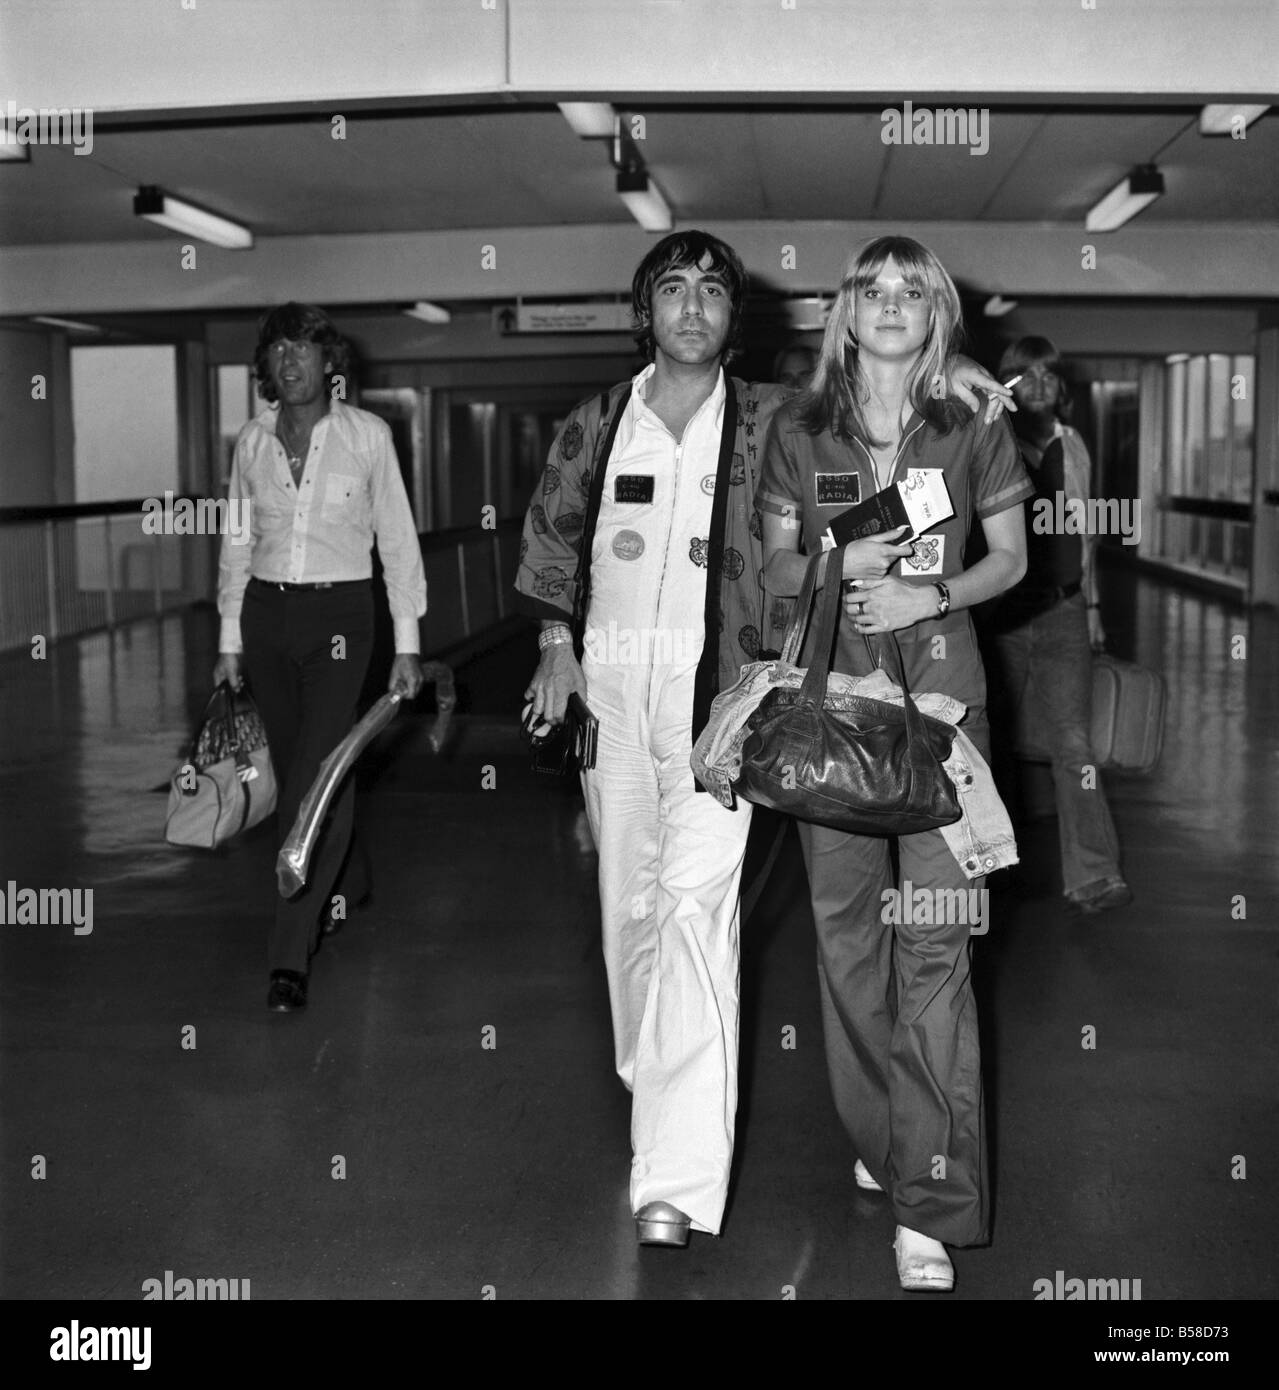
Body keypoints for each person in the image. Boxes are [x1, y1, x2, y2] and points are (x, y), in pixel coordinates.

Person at [515, 230, 1013, 1249]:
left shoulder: (774, 417)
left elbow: (900, 381)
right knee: (638, 928)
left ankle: (681, 1183)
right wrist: (556, 642)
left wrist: (958, 362)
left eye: (711, 291)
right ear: (642, 308)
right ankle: (686, 1093)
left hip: (735, 707)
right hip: (647, 704)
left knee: (709, 921)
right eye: (670, 290)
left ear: (736, 317)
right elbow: (551, 534)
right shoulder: (600, 425)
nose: (691, 308)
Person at [757, 235, 1032, 1291]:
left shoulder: (973, 423)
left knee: (936, 958)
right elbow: (776, 557)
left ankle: (930, 1203)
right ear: (844, 309)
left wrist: (934, 591)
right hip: (832, 719)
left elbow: (1008, 557)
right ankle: (885, 1138)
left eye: (910, 290)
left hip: (941, 721)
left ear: (937, 313)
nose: (888, 304)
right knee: (847, 955)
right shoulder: (798, 426)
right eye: (870, 288)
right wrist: (836, 558)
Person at [214, 302, 426, 1013]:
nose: (293, 363)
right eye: (279, 352)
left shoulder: (368, 437)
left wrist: (407, 645)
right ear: (266, 369)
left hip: (342, 618)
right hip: (267, 615)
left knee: (312, 775)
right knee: (302, 764)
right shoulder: (250, 443)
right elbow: (236, 541)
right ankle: (351, 874)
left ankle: (288, 951)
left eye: (305, 350)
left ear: (330, 362)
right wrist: (229, 640)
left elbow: (396, 538)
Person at [989, 336, 1132, 915]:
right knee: (986, 744)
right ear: (1007, 381)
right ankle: (982, 873)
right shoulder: (987, 436)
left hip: (1063, 610)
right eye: (1027, 373)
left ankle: (1093, 873)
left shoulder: (1072, 443)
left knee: (1075, 744)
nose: (1041, 382)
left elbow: (1086, 533)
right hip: (1002, 612)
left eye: (1049, 372)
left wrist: (1093, 607)